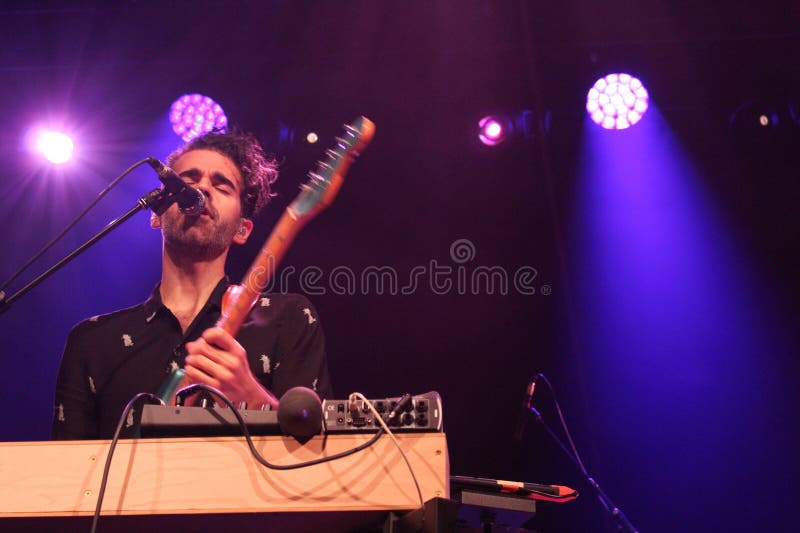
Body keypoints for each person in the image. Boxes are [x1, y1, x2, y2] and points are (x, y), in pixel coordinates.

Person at [52, 131, 333, 440]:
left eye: (221, 185)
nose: (201, 188)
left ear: (242, 229)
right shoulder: (92, 341)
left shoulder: (288, 319)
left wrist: (251, 398)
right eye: (189, 179)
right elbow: (69, 477)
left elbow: (317, 455)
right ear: (157, 215)